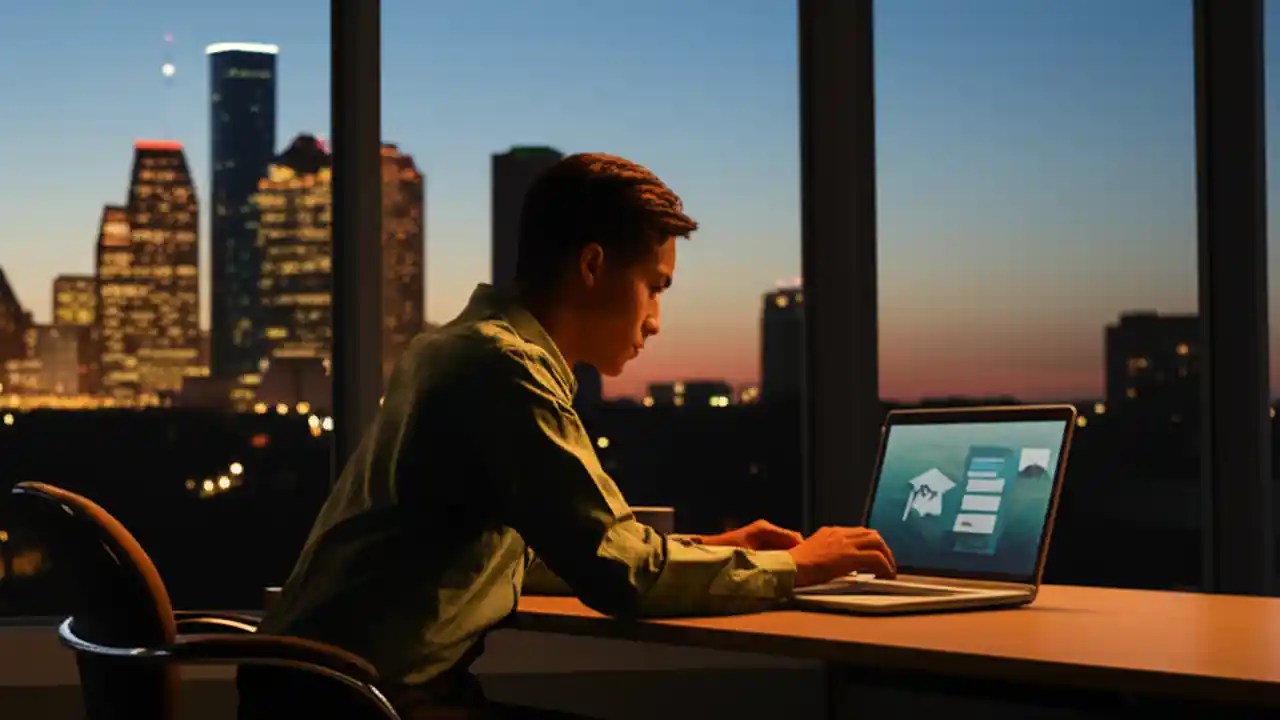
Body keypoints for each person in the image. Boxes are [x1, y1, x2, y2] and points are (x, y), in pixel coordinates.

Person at [237, 153, 896, 719]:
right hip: (368, 704)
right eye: (654, 287)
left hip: (314, 690)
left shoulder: (450, 348)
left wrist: (709, 550)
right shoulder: (505, 371)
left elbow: (538, 550)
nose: (657, 320)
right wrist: (798, 565)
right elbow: (621, 578)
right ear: (592, 266)